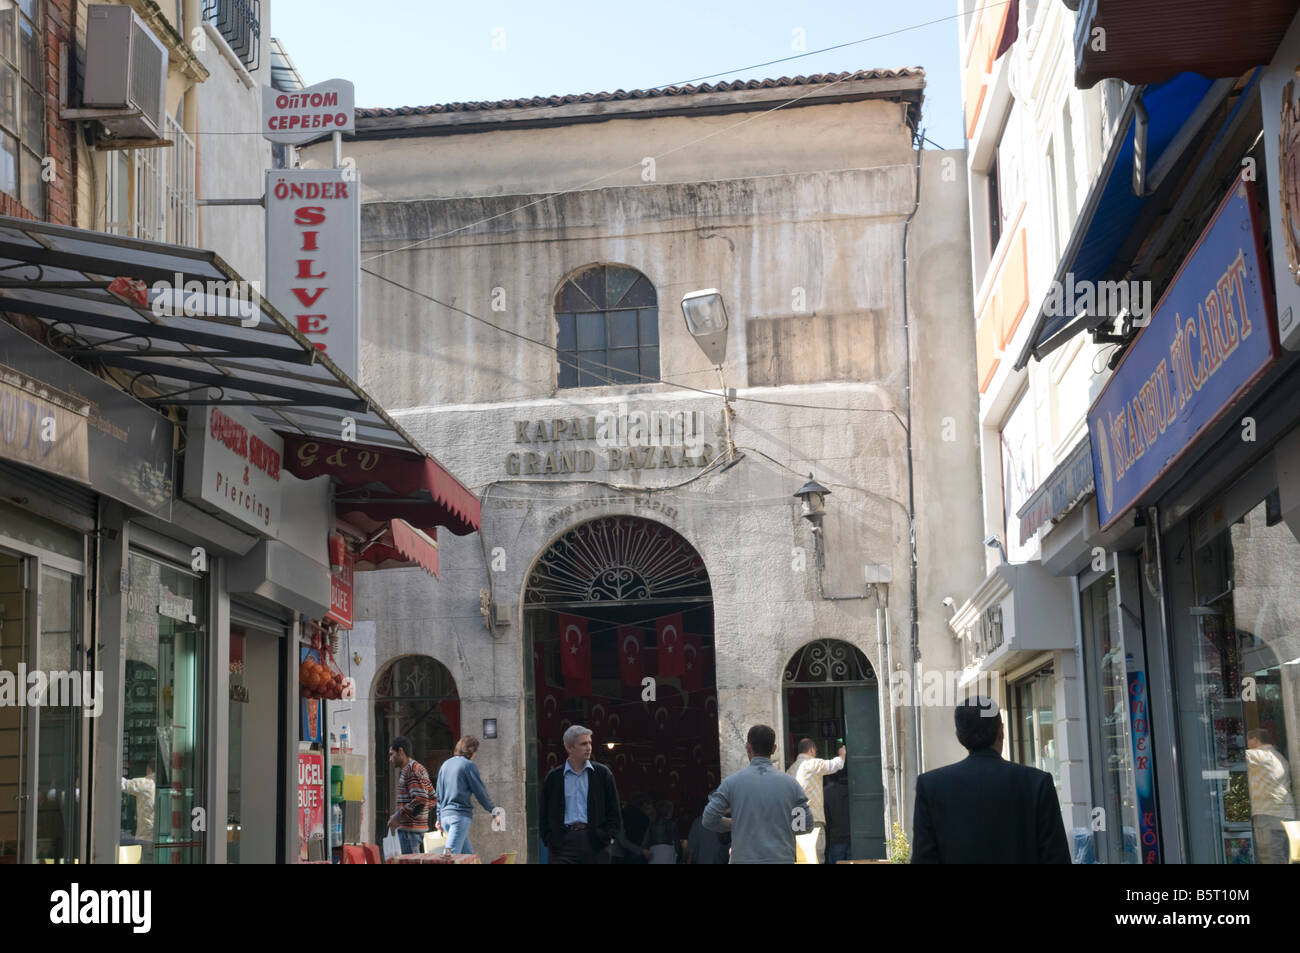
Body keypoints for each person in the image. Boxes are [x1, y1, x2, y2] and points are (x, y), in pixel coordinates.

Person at [911, 697, 1070, 864]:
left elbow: (924, 859)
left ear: (959, 738)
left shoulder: (931, 786)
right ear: (1001, 731)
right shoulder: (1037, 783)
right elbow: (1057, 858)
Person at [702, 724, 809, 864]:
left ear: (748, 747)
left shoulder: (731, 783)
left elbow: (709, 819)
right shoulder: (792, 785)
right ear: (774, 749)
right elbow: (805, 824)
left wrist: (733, 823)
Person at [540, 725, 623, 864]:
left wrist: (609, 836)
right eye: (583, 743)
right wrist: (549, 838)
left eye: (590, 742)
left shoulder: (603, 774)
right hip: (563, 843)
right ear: (569, 748)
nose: (589, 747)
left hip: (596, 841)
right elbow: (544, 812)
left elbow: (614, 809)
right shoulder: (554, 777)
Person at [435, 735, 497, 856]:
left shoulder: (445, 765)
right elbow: (480, 792)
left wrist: (438, 817)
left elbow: (438, 794)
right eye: (476, 751)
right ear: (471, 752)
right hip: (459, 818)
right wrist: (493, 810)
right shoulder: (468, 765)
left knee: (467, 855)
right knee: (449, 856)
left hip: (445, 817)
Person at [786, 737, 845, 863]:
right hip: (813, 822)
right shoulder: (812, 763)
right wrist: (842, 753)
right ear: (812, 750)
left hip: (795, 823)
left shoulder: (790, 771)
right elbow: (837, 764)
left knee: (800, 860)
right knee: (815, 858)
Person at [1245, 728, 1296, 864]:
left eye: (1248, 741)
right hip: (1285, 813)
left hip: (1268, 814)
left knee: (1271, 857)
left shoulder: (1260, 755)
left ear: (1254, 740)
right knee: (1282, 855)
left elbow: (1236, 758)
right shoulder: (1279, 756)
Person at [387, 736, 435, 855]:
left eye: (392, 754)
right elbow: (432, 798)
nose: (390, 759)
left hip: (411, 832)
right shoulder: (416, 769)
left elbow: (420, 800)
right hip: (415, 830)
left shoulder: (412, 770)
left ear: (401, 751)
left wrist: (398, 816)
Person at [612, 794, 653, 863]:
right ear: (643, 805)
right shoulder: (645, 819)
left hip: (616, 853)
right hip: (630, 854)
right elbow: (645, 840)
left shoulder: (621, 814)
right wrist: (641, 850)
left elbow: (621, 839)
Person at [823, 772, 851, 865]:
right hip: (853, 838)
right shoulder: (855, 789)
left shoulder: (827, 792)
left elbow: (827, 818)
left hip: (836, 838)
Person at [642, 799, 681, 863]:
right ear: (668, 811)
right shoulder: (672, 825)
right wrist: (679, 856)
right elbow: (677, 845)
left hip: (654, 855)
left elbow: (644, 844)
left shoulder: (651, 825)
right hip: (668, 855)